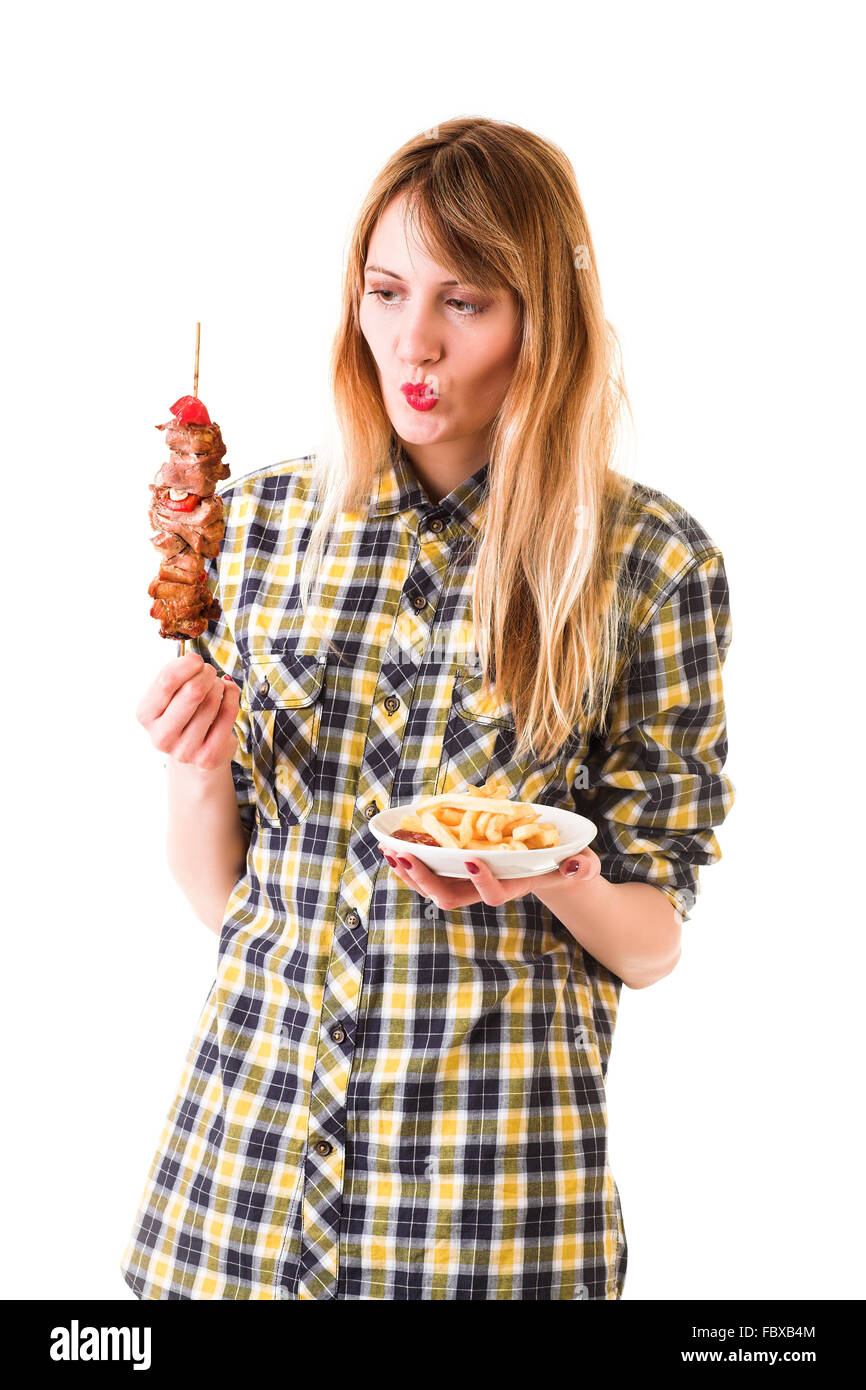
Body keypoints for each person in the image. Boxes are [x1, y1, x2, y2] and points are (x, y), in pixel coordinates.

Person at [120, 116, 736, 1301]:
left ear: (536, 320)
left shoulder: (649, 562)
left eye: (464, 302)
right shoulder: (259, 525)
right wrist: (195, 769)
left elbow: (651, 942)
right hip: (237, 1189)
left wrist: (555, 873)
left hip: (490, 1208)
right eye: (388, 290)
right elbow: (230, 901)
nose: (414, 341)